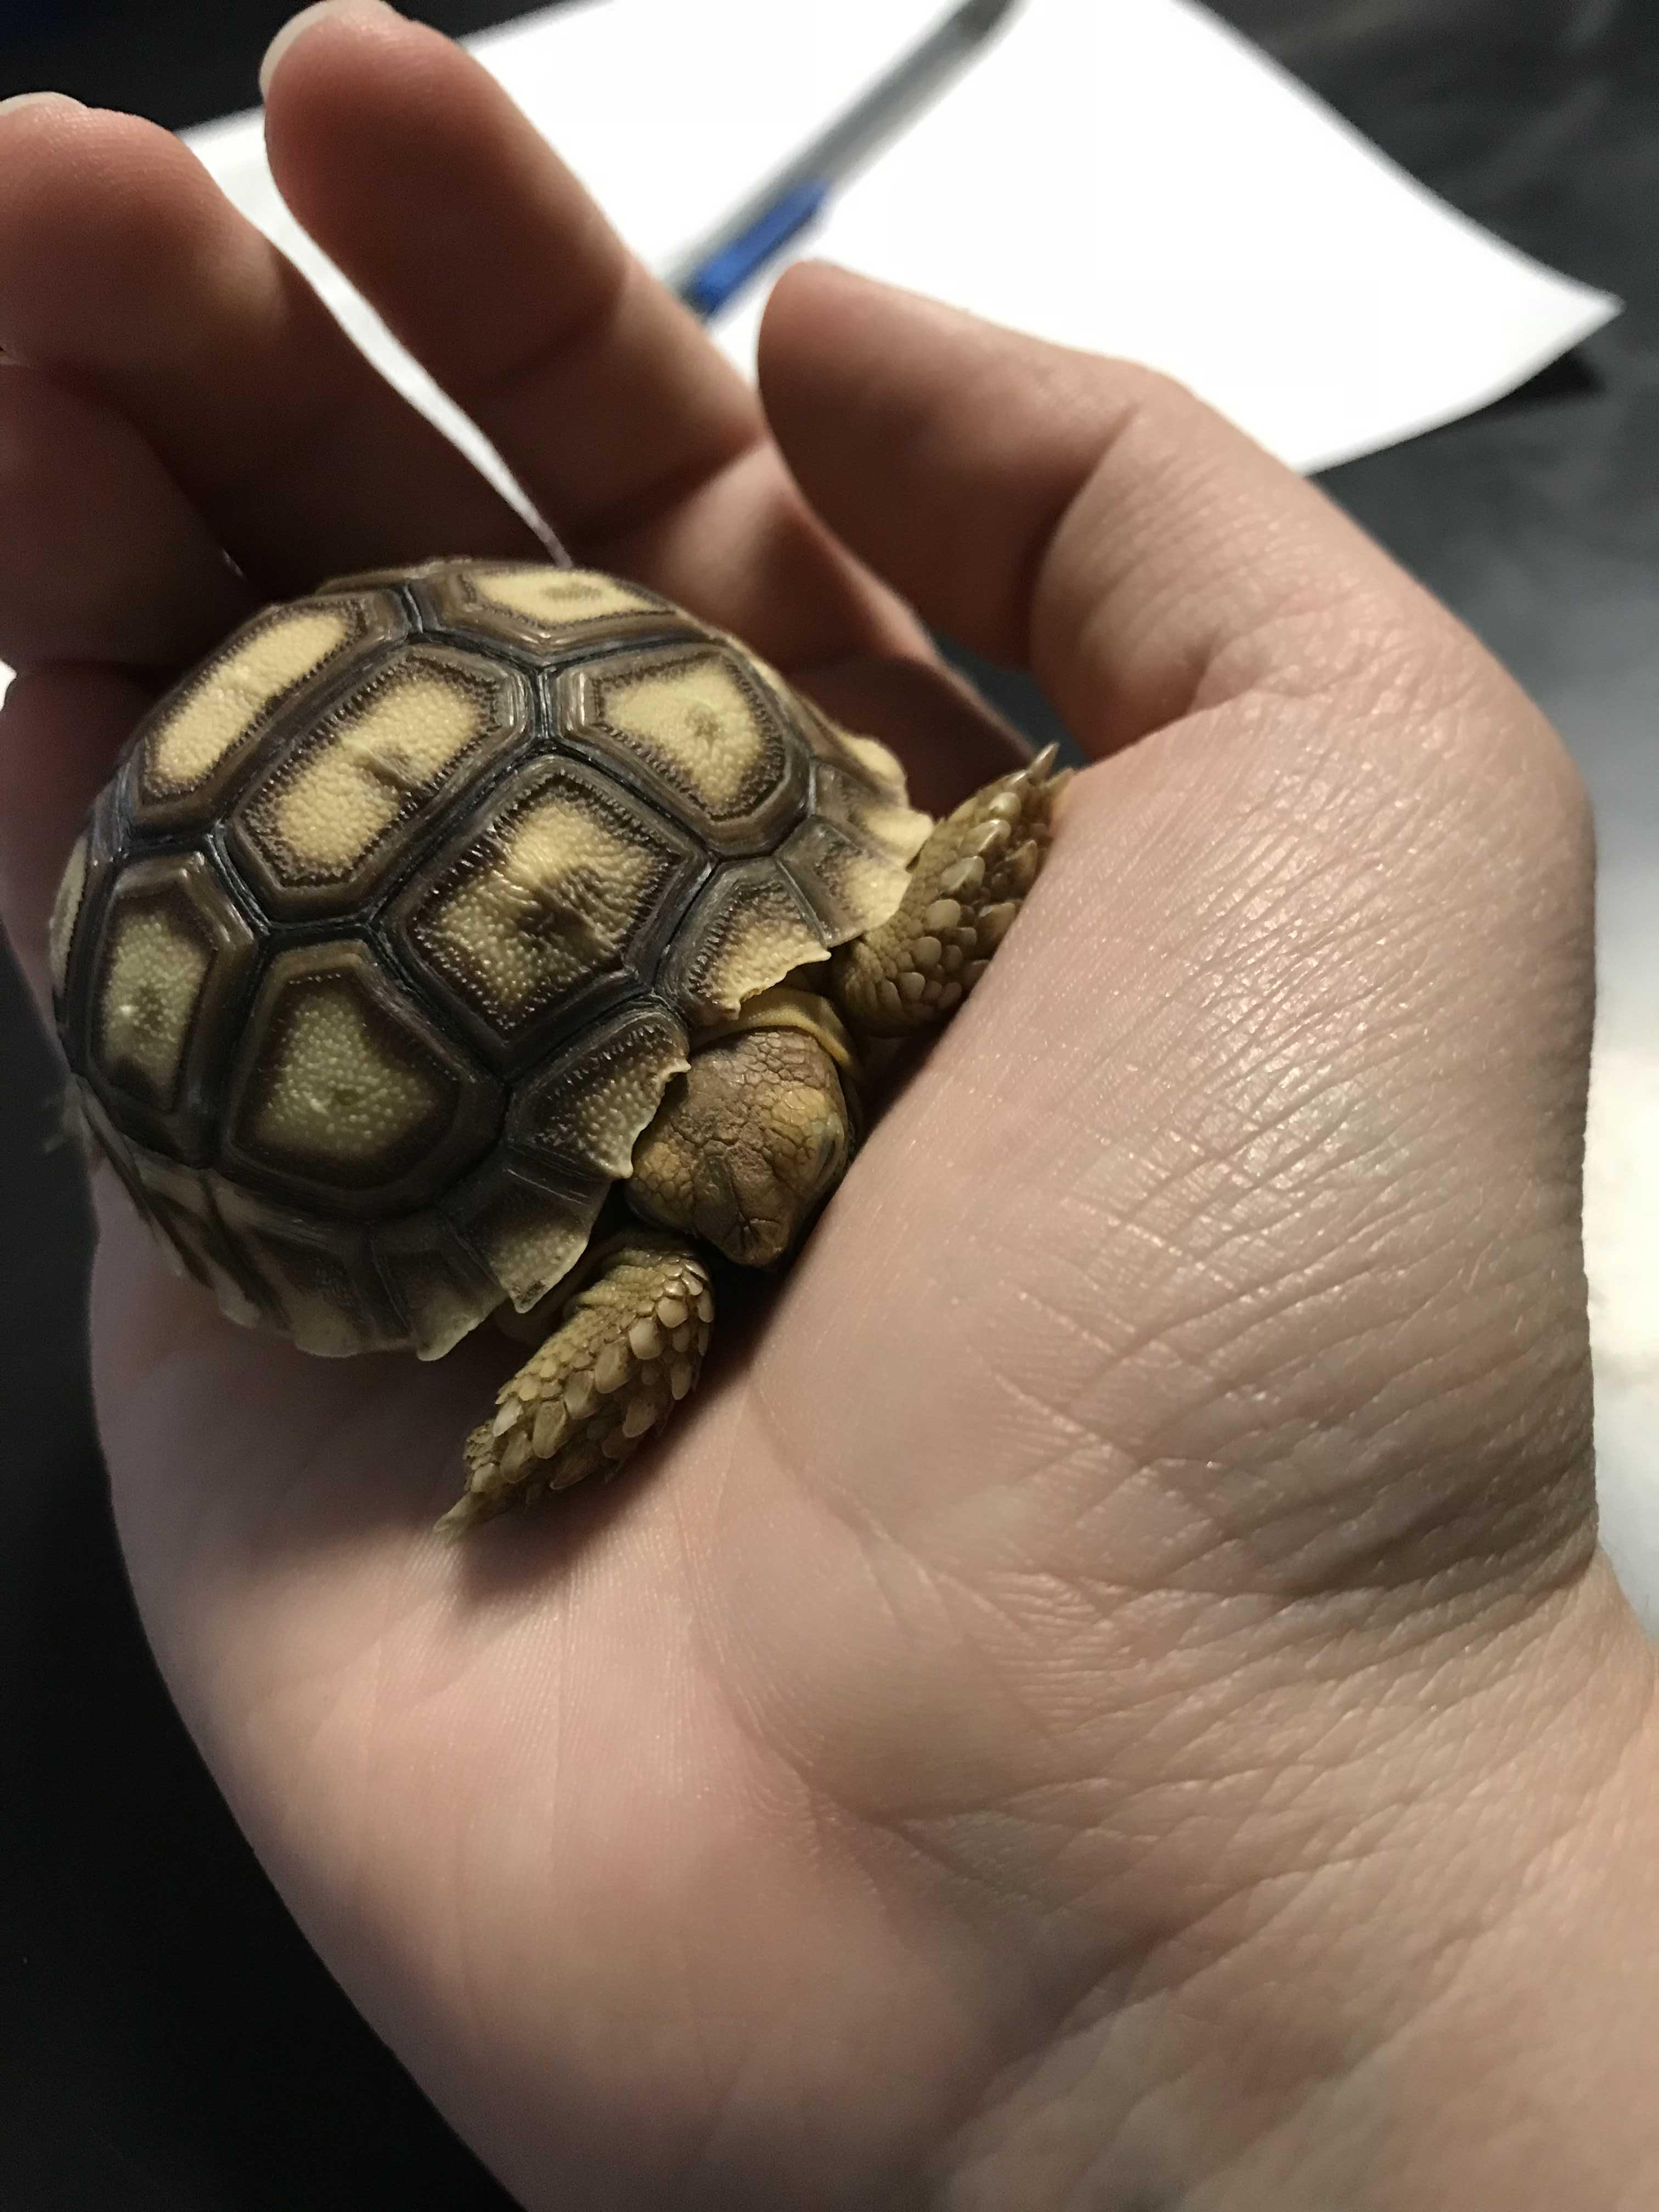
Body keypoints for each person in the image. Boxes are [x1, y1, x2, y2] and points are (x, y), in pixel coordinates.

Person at [0, 4, 1652, 2205]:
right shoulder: (753, 1123)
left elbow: (926, 933)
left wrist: (1313, 1951)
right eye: (717, 1186)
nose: (758, 1199)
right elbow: (940, 904)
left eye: (743, 1159)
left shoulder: (778, 1077)